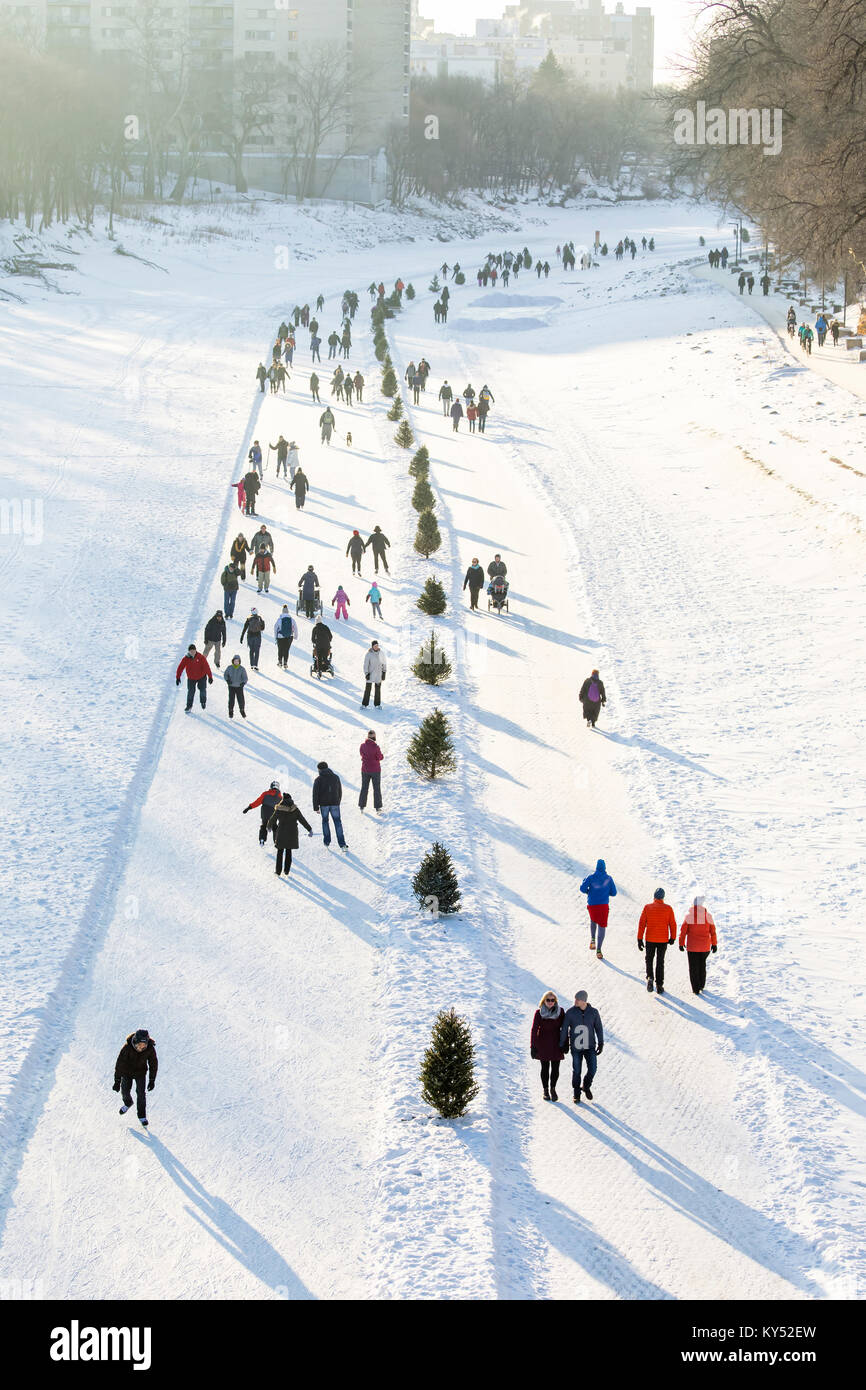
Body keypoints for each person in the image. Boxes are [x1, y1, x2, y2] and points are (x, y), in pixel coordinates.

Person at [560, 991, 603, 1104]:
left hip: (589, 1046)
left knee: (593, 1068)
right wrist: (562, 1044)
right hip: (576, 1047)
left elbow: (598, 1028)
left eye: (577, 1000)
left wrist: (601, 1043)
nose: (575, 1001)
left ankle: (586, 1086)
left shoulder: (593, 1012)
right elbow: (564, 1029)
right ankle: (576, 1093)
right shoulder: (570, 1013)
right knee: (577, 1070)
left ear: (584, 1001)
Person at [113, 1028, 157, 1127]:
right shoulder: (127, 1047)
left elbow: (153, 1064)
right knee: (125, 1090)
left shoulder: (150, 1048)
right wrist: (117, 1081)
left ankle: (142, 1116)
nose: (141, 1047)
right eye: (139, 1045)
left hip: (140, 1073)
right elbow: (119, 1064)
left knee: (141, 1094)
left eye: (144, 1045)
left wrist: (152, 1080)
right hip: (127, 1072)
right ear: (135, 1041)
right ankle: (128, 1103)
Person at [638, 887, 677, 995]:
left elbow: (642, 924)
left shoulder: (647, 907)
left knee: (649, 959)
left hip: (650, 939)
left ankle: (650, 977)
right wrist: (673, 937)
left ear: (654, 896)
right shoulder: (668, 908)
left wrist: (639, 939)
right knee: (660, 962)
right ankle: (659, 985)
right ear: (663, 897)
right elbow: (672, 924)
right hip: (662, 940)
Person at [267, 792, 313, 878]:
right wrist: (309, 829)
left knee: (280, 852)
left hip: (281, 832)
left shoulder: (279, 808)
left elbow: (272, 819)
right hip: (292, 833)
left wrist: (269, 826)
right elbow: (302, 820)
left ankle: (278, 872)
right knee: (288, 851)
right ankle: (286, 871)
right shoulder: (295, 809)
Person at [531, 991, 566, 1102]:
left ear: (555, 1001)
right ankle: (545, 1090)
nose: (550, 1002)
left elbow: (565, 1029)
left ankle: (553, 1089)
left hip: (556, 1043)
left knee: (555, 1068)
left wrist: (565, 1043)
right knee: (545, 1068)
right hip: (543, 1043)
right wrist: (533, 1046)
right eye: (548, 1000)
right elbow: (534, 1030)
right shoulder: (539, 1013)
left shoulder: (560, 1012)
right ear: (544, 1001)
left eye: (552, 1000)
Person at [679, 896, 718, 995]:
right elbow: (712, 931)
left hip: (692, 947)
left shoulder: (689, 916)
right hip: (705, 947)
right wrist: (714, 944)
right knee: (702, 965)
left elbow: (683, 931)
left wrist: (681, 943)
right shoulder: (708, 916)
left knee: (693, 967)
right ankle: (701, 985)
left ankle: (695, 988)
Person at [579, 858, 617, 958]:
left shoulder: (590, 877)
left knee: (593, 920)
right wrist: (605, 892)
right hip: (603, 905)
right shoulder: (609, 878)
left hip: (592, 905)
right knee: (602, 925)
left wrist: (589, 892)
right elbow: (614, 893)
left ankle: (592, 940)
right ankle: (599, 950)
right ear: (605, 868)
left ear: (596, 867)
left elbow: (582, 889)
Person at [312, 761, 348, 850]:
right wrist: (338, 801)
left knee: (325, 822)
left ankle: (327, 842)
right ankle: (342, 844)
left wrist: (316, 807)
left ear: (319, 769)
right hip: (335, 803)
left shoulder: (318, 779)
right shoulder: (336, 777)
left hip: (324, 805)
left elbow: (315, 794)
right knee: (337, 822)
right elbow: (339, 790)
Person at [176, 644, 212, 712]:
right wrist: (178, 677)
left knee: (202, 689)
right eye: (191, 651)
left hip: (201, 676)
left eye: (193, 651)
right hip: (191, 678)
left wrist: (210, 676)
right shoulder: (186, 659)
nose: (192, 652)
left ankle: (203, 701)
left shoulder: (201, 657)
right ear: (189, 651)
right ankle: (189, 706)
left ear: (196, 650)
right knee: (191, 692)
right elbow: (180, 668)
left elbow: (206, 667)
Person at [359, 729, 384, 810]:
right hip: (375, 770)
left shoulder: (362, 746)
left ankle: (362, 805)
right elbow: (380, 757)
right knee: (376, 788)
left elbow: (361, 754)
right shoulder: (376, 747)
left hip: (365, 769)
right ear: (374, 737)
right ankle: (378, 807)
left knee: (364, 787)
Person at [362, 640, 386, 708]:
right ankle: (364, 704)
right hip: (370, 674)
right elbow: (365, 665)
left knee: (378, 690)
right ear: (372, 646)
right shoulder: (369, 654)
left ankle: (377, 704)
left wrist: (384, 672)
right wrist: (366, 673)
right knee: (367, 690)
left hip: (378, 674)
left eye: (377, 645)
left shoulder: (381, 653)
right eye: (375, 646)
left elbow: (384, 663)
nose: (376, 647)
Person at [224, 653, 248, 718]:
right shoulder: (229, 668)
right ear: (233, 661)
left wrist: (243, 683)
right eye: (235, 661)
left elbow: (245, 678)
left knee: (241, 699)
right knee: (231, 699)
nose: (236, 662)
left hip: (239, 687)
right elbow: (225, 674)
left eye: (237, 661)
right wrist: (227, 680)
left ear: (239, 662)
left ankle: (242, 710)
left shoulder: (242, 669)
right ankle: (230, 711)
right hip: (231, 686)